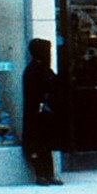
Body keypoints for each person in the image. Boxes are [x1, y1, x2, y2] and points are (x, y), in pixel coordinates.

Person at [22, 38, 64, 185]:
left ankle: (49, 174)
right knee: (39, 144)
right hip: (37, 113)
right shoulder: (33, 70)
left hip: (47, 113)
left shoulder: (45, 69)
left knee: (47, 144)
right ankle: (41, 174)